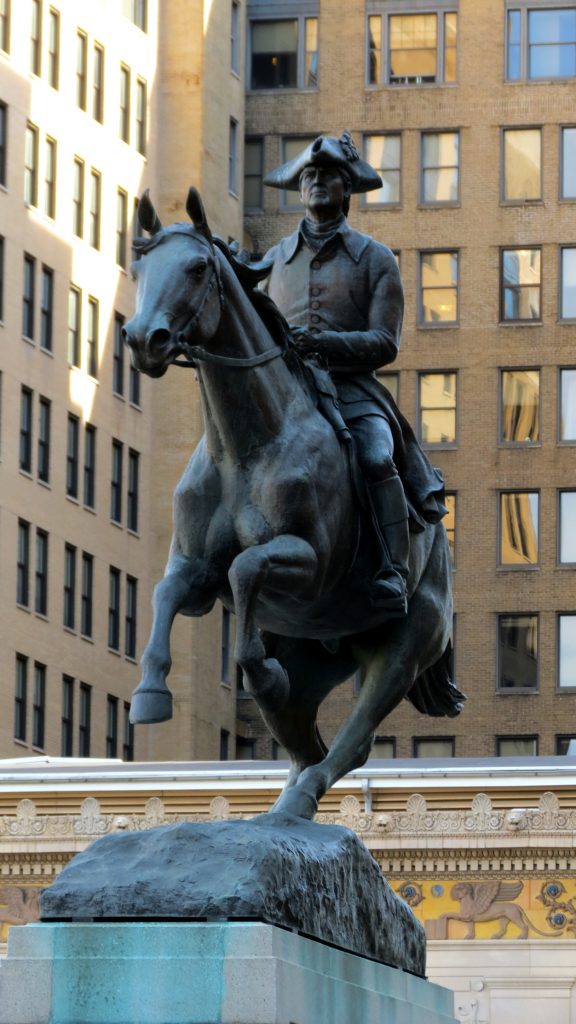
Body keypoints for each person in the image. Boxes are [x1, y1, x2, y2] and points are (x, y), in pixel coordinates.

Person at [261, 131, 446, 615]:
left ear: (348, 189)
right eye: (310, 176)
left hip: (353, 392)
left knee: (377, 457)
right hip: (284, 393)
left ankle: (392, 570)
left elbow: (386, 343)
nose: (317, 182)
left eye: (328, 176)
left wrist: (322, 344)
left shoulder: (376, 259)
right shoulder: (274, 258)